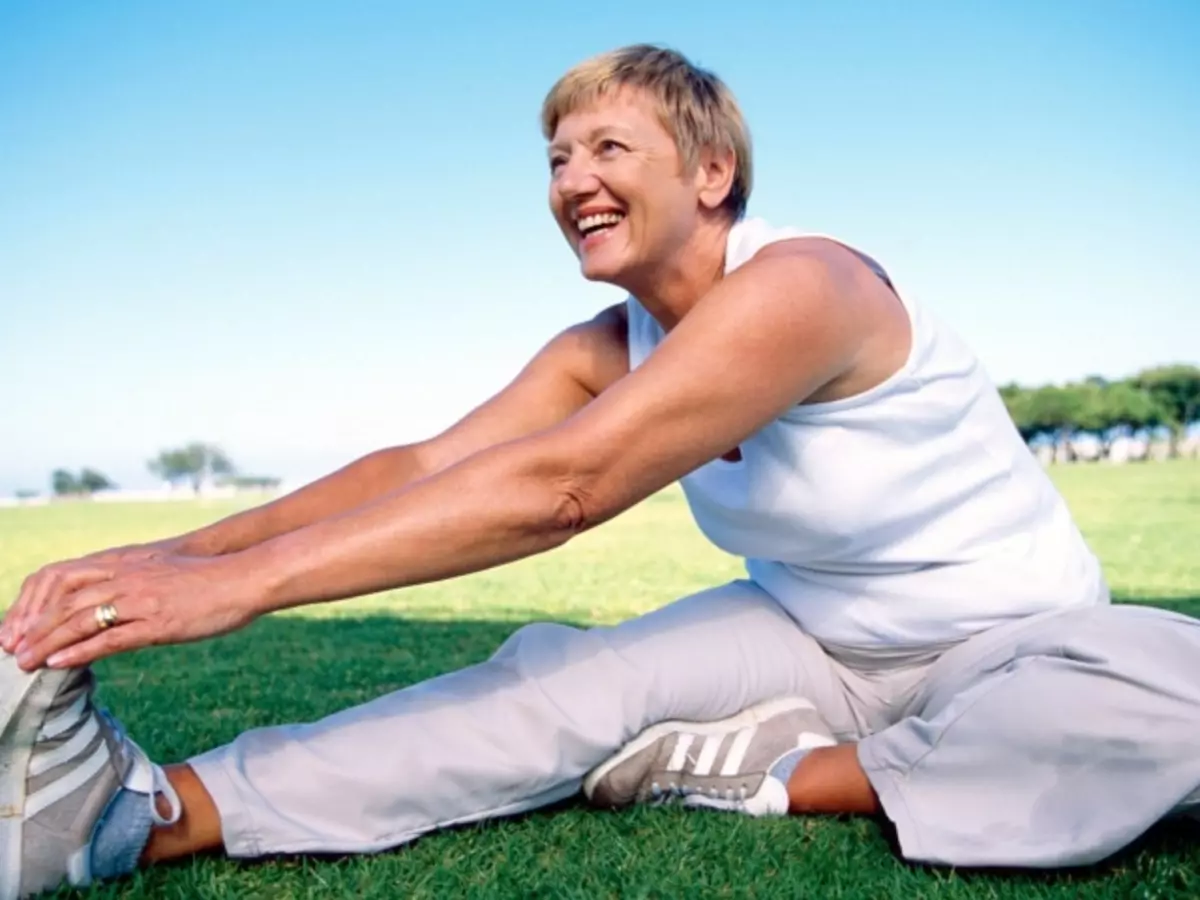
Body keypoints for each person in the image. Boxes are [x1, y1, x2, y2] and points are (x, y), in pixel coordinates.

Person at [2, 43, 1199, 899]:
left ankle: (789, 773)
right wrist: (181, 555)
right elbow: (424, 467)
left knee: (1165, 688)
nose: (571, 179)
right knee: (556, 685)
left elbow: (565, 489)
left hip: (1016, 640)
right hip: (811, 633)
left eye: (609, 147)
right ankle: (139, 815)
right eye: (557, 156)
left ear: (712, 175)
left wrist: (243, 593)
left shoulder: (810, 286)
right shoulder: (601, 348)